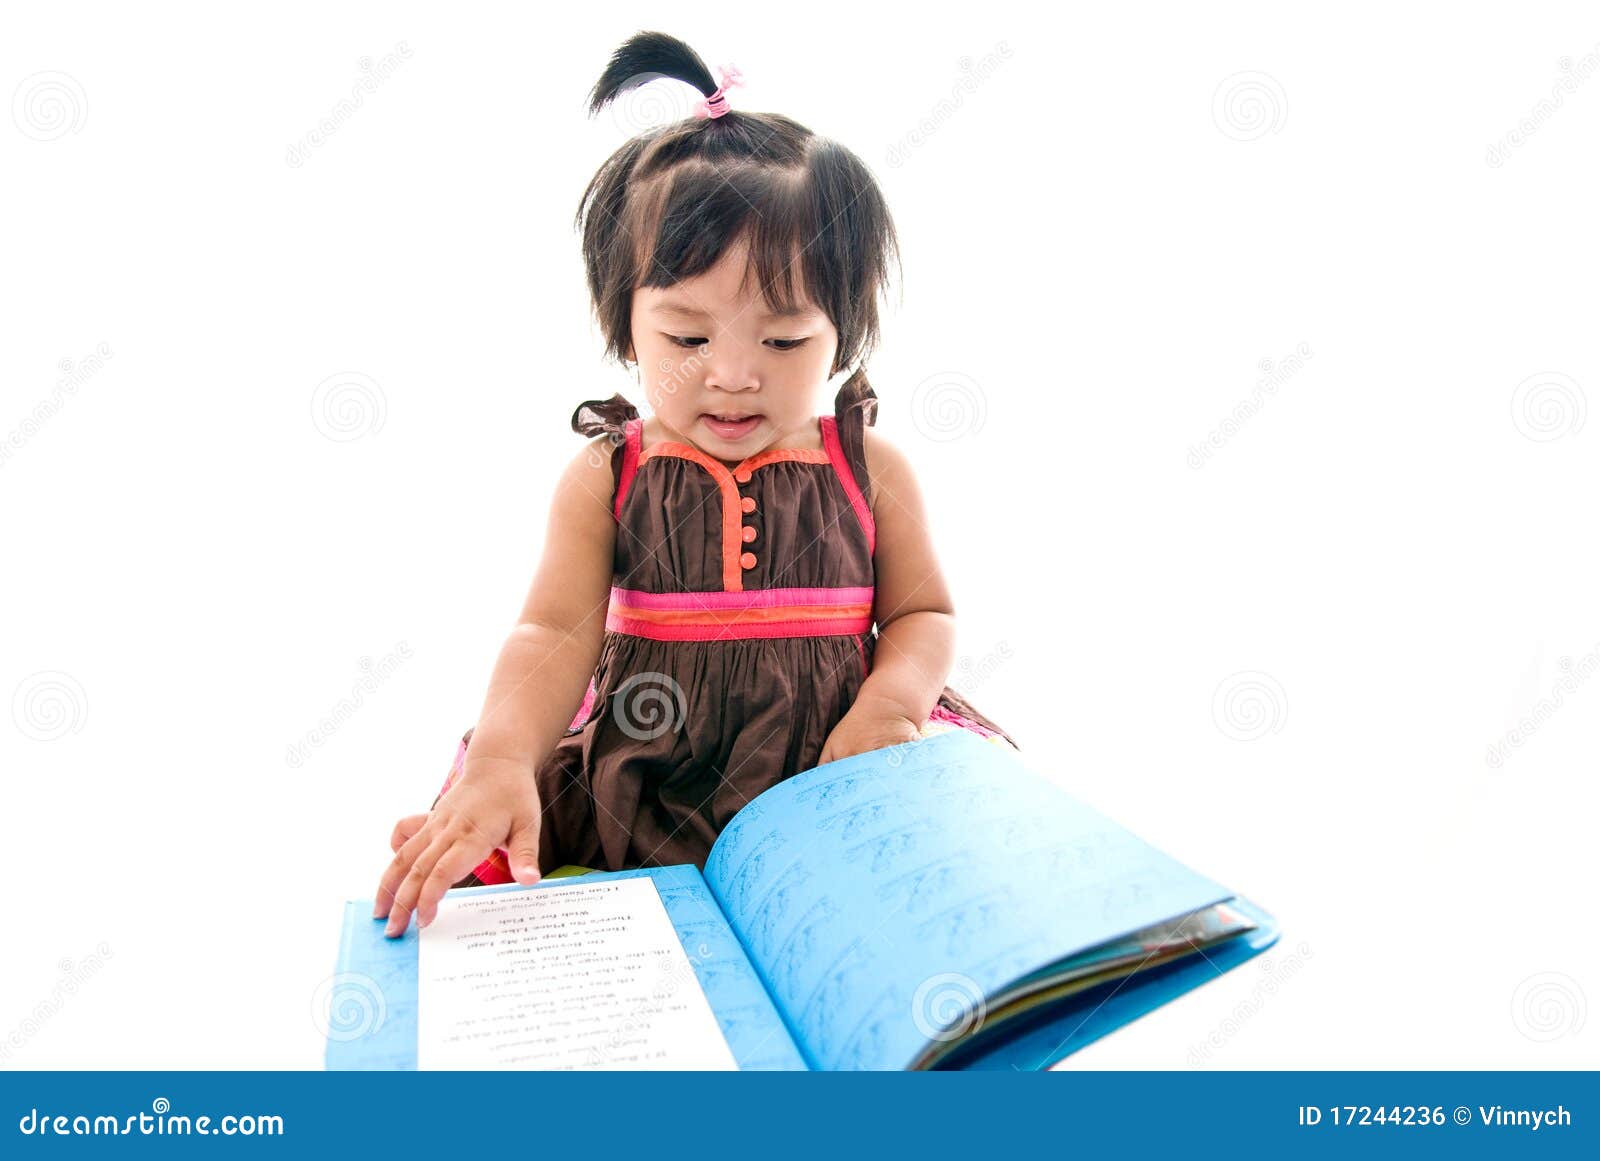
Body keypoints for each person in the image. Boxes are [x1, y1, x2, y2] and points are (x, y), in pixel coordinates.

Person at [375, 30, 1015, 938]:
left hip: (834, 772)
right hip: (644, 779)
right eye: (687, 339)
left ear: (846, 333)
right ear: (625, 325)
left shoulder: (867, 468)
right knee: (513, 852)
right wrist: (505, 753)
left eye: (785, 341)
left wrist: (889, 705)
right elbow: (554, 629)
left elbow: (924, 616)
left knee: (951, 876)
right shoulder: (610, 472)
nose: (734, 375)